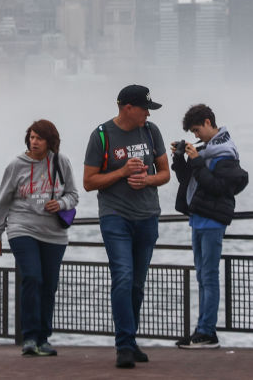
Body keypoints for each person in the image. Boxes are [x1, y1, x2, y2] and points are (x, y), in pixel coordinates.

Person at [83, 85, 170, 369]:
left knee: (136, 284)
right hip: (115, 216)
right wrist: (122, 172)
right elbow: (88, 182)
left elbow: (165, 174)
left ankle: (130, 341)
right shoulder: (102, 135)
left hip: (147, 215)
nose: (148, 113)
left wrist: (147, 181)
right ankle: (123, 345)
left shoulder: (151, 131)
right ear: (128, 108)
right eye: (145, 108)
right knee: (122, 276)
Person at [0, 119, 79, 357]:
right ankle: (29, 337)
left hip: (54, 234)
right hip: (22, 228)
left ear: (50, 141)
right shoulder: (16, 165)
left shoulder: (62, 162)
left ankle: (43, 338)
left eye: (39, 138)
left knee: (49, 286)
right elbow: (3, 201)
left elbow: (73, 195)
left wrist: (60, 203)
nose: (34, 142)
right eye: (31, 137)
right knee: (32, 277)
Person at [171, 104, 248, 350]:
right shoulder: (206, 152)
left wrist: (196, 161)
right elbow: (188, 180)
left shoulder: (224, 153)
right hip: (199, 217)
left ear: (207, 122)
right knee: (203, 277)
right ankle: (202, 330)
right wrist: (179, 157)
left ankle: (207, 332)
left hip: (212, 220)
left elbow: (216, 186)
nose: (195, 136)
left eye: (196, 130)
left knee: (209, 277)